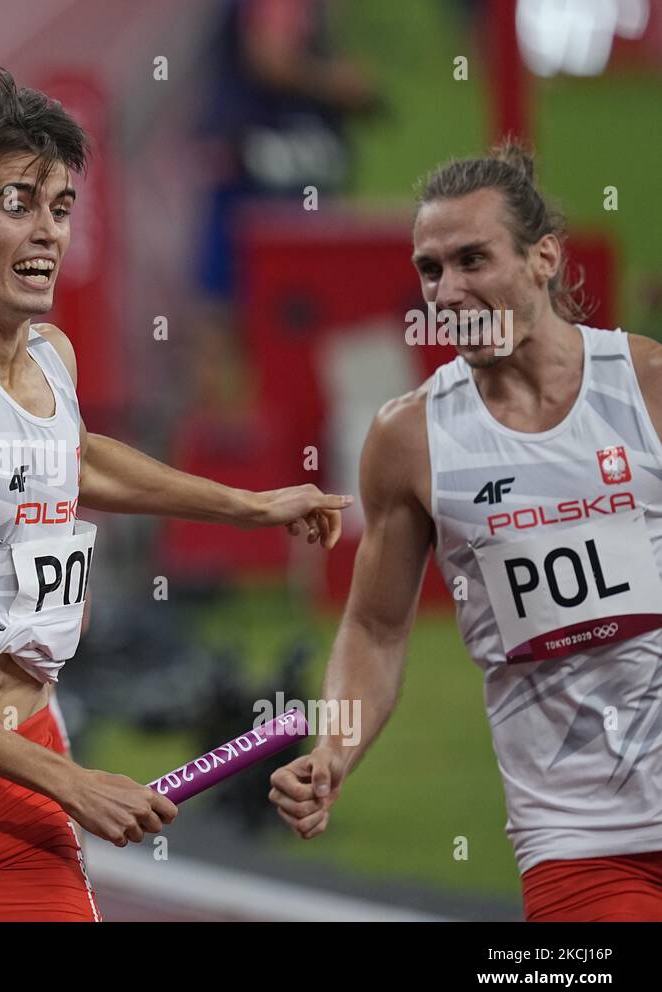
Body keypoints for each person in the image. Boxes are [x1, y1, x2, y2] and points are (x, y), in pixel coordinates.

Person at [0, 66, 350, 922]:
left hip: (15, 775)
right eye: (18, 204)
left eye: (61, 207)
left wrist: (249, 504)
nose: (49, 234)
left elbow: (71, 461)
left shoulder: (50, 356)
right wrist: (75, 783)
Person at [268, 143, 662, 921]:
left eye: (472, 260)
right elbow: (375, 630)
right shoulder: (411, 439)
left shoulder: (645, 387)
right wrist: (334, 748)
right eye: (430, 269)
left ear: (542, 256)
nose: (447, 292)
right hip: (578, 841)